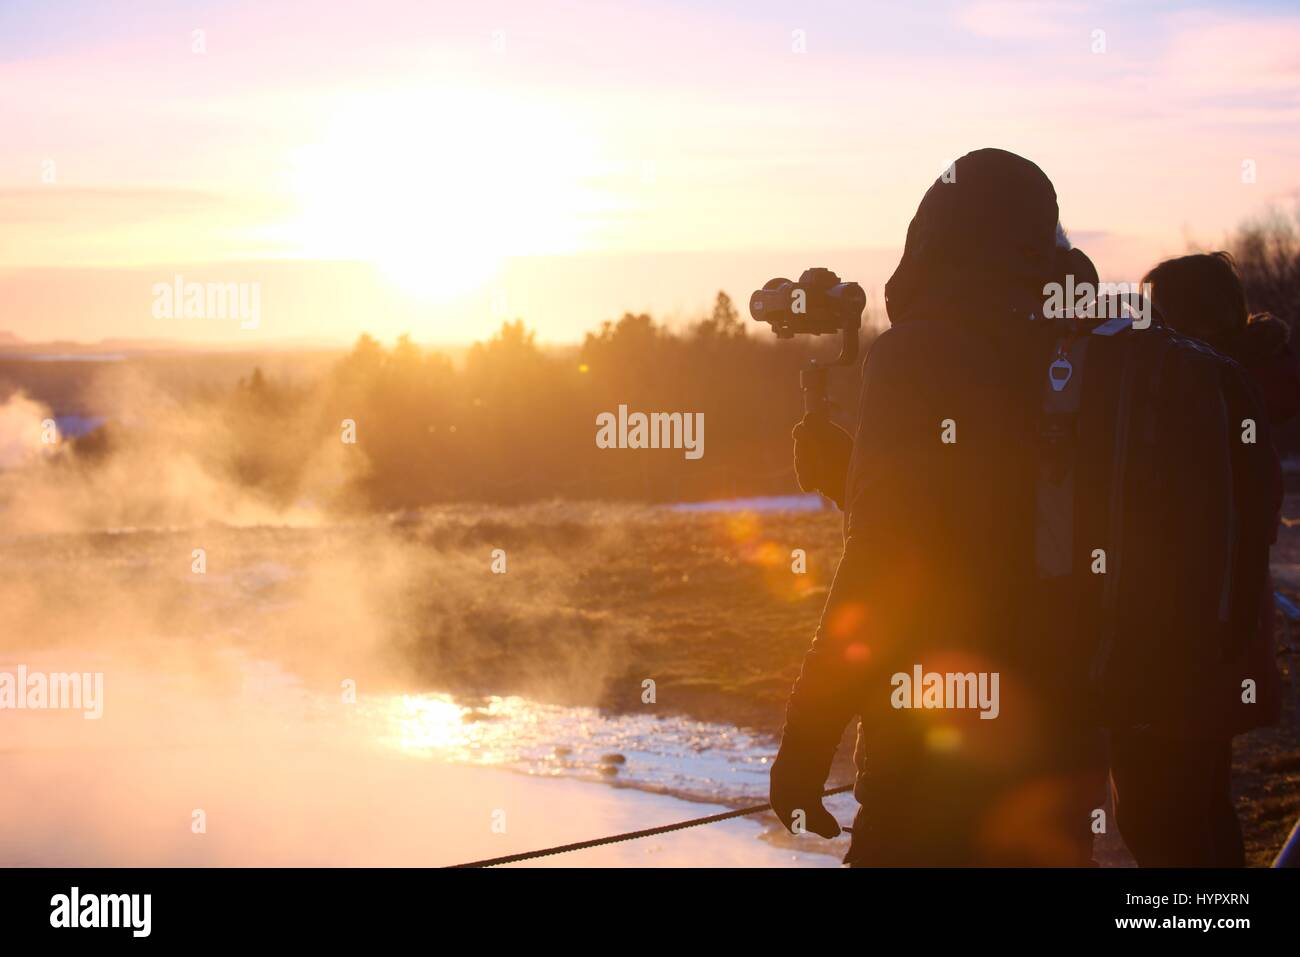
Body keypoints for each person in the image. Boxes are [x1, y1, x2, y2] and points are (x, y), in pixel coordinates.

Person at [770, 149, 1108, 865]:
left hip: (929, 758)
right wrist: (849, 478)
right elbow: (1010, 512)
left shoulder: (920, 354)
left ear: (934, 237)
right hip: (1061, 746)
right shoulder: (1081, 347)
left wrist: (804, 749)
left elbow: (887, 565)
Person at [1104, 252, 1295, 867]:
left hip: (1189, 643)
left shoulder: (1212, 395)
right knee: (1197, 802)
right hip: (1208, 640)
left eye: (1155, 310)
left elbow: (1223, 527)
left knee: (1161, 814)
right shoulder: (1216, 388)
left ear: (1191, 317)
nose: (1144, 323)